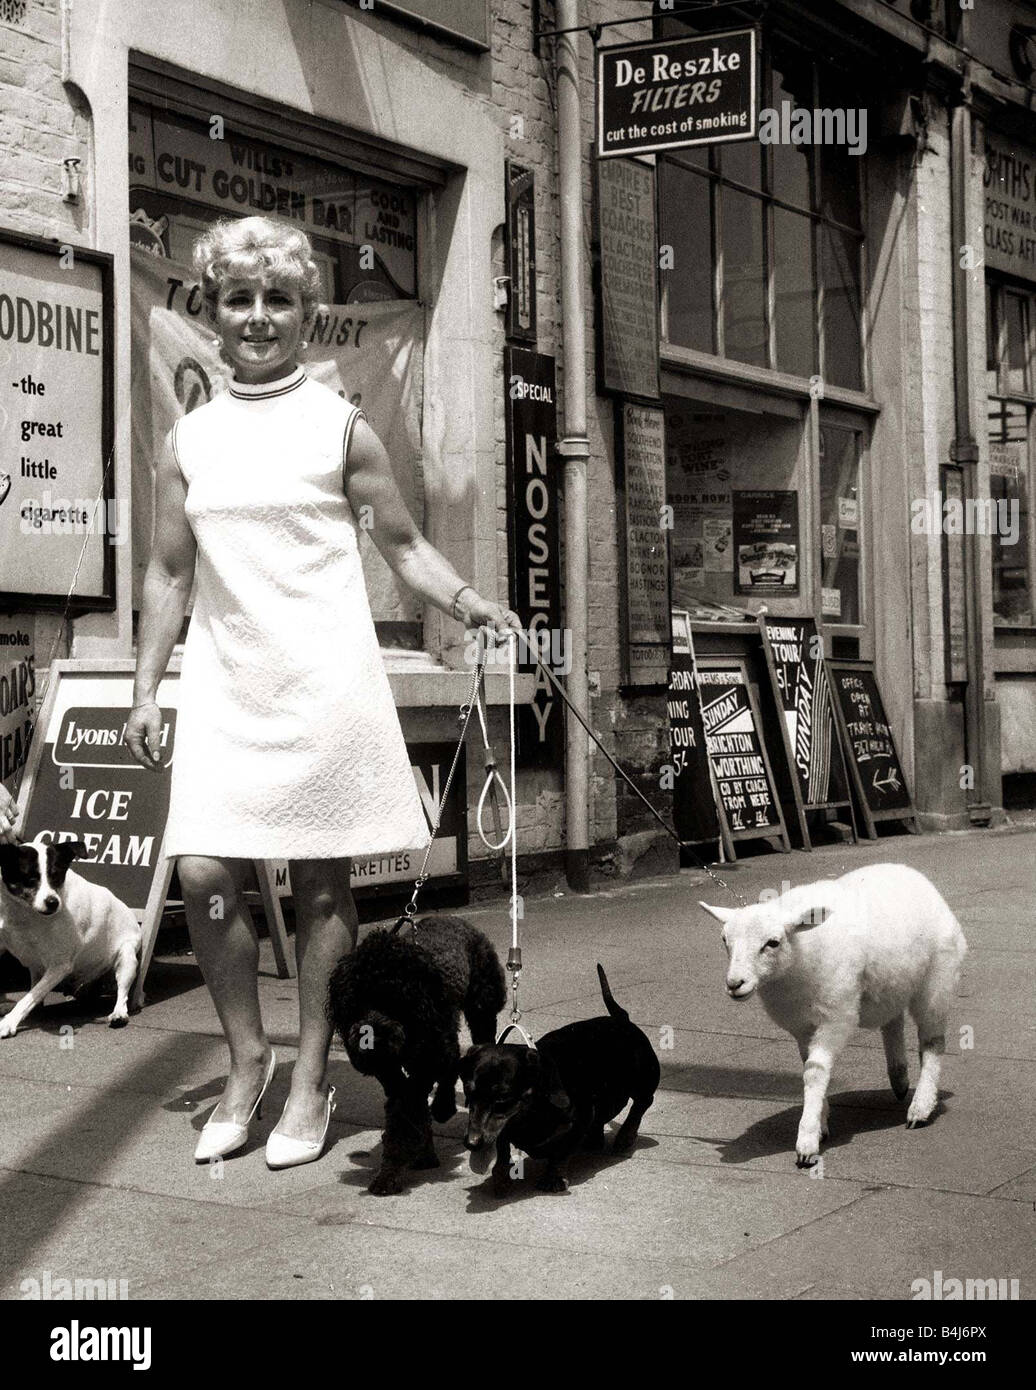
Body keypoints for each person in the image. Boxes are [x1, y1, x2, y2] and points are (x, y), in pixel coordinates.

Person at [126, 215, 520, 1169]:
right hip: (226, 688)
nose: (258, 317)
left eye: (278, 300)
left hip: (325, 682)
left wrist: (471, 603)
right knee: (205, 877)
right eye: (237, 300)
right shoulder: (191, 441)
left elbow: (404, 545)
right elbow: (170, 576)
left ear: (307, 314)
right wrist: (146, 689)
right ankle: (245, 1060)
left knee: (319, 881)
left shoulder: (343, 428)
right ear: (212, 314)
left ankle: (310, 1076)